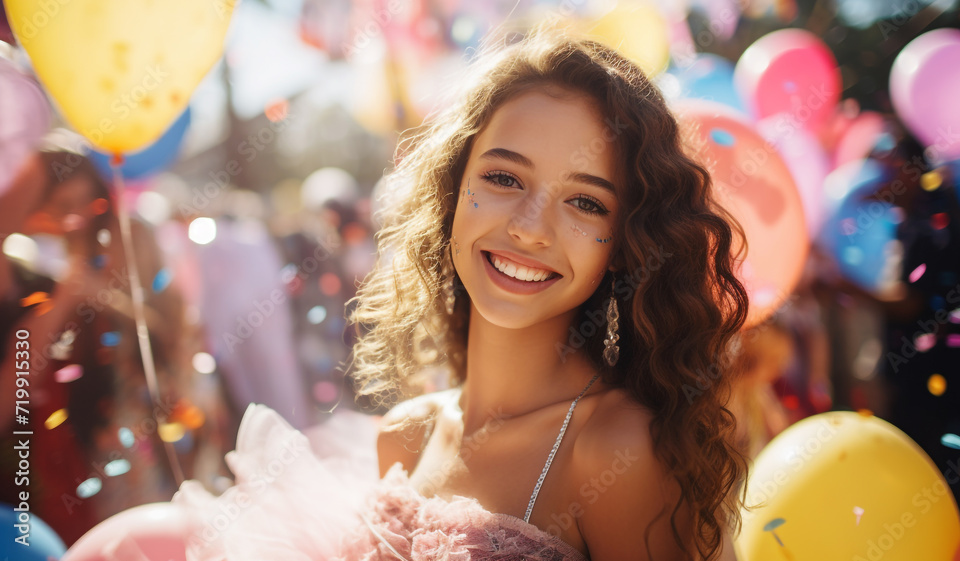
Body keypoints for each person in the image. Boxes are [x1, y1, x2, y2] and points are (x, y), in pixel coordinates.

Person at [65, 27, 749, 561]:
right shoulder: (402, 435)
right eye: (506, 179)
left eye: (585, 203)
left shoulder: (613, 447)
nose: (529, 228)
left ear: (627, 239)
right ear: (455, 191)